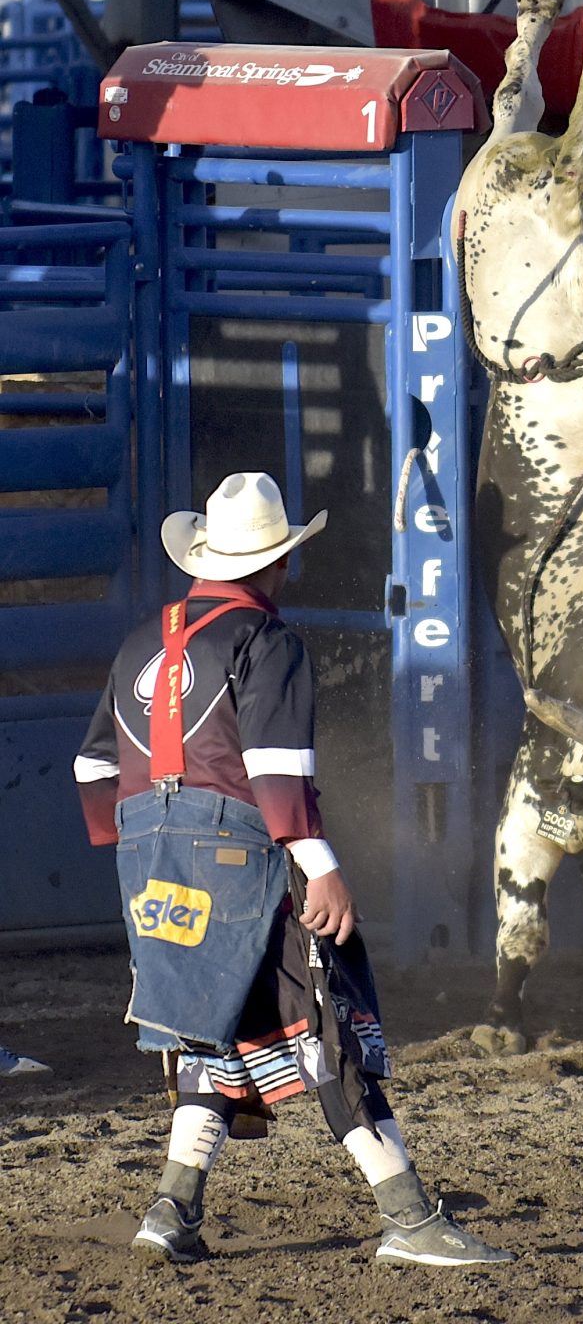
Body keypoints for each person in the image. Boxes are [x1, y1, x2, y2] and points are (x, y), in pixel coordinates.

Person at [74, 472, 514, 1268]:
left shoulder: (144, 639)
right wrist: (321, 868)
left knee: (205, 1024)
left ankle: (172, 1210)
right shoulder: (266, 642)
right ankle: (410, 1217)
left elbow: (91, 767)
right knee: (324, 1020)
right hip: (239, 848)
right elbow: (275, 771)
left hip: (148, 853)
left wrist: (141, 844)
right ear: (276, 562)